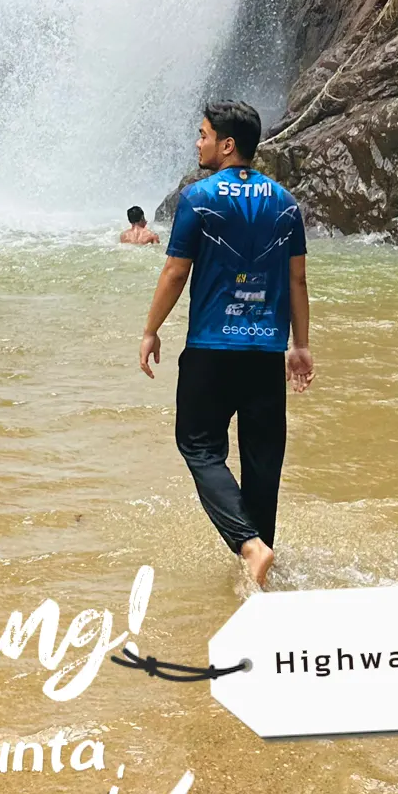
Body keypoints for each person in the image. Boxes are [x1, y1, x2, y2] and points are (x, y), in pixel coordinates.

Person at [139, 100, 312, 589]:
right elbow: (297, 280)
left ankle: (249, 546)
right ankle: (259, 574)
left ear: (227, 144)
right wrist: (300, 345)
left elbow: (175, 270)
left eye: (203, 134)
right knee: (262, 463)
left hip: (211, 351)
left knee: (197, 445)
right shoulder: (286, 203)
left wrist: (151, 329)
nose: (198, 143)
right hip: (265, 354)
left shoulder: (198, 198)